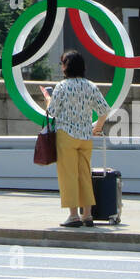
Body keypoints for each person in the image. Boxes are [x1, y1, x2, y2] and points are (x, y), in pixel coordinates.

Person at [39, 49, 111, 228]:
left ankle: (73, 216)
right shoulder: (90, 86)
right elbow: (104, 110)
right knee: (85, 175)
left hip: (66, 135)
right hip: (85, 136)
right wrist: (97, 128)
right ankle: (87, 214)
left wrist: (47, 98)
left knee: (68, 175)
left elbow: (52, 111)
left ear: (66, 66)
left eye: (62, 63)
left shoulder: (62, 87)